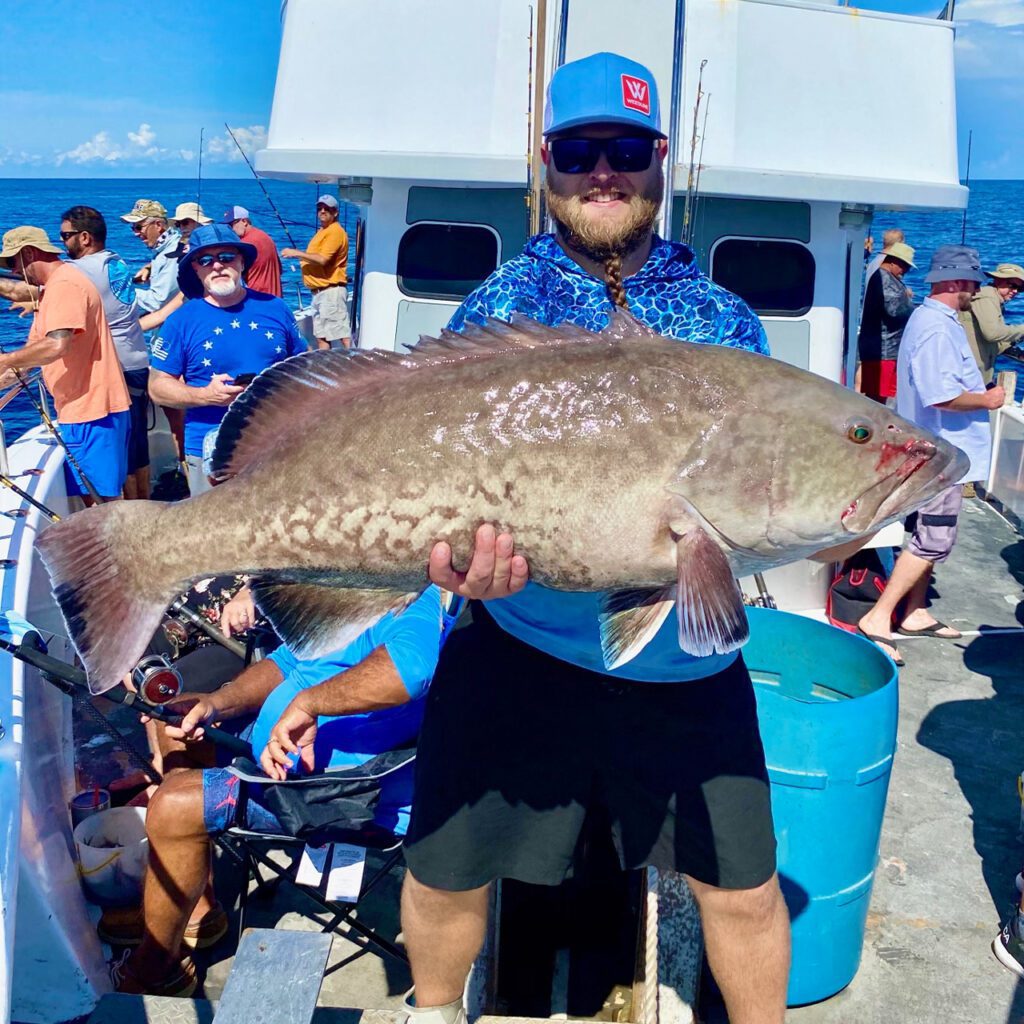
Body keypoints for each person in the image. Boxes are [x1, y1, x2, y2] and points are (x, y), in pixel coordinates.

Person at [400, 53, 791, 1024]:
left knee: (743, 886)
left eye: (625, 148)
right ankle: (433, 1009)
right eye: (580, 152)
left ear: (661, 158)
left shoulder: (723, 321)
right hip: (518, 642)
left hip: (682, 666)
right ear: (548, 162)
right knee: (446, 862)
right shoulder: (495, 310)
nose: (603, 171)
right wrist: (455, 569)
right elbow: (437, 476)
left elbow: (751, 495)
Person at [109, 585, 455, 997]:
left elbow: (411, 668)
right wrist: (218, 702)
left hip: (345, 792)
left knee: (174, 804)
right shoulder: (348, 588)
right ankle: (197, 911)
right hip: (273, 753)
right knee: (175, 722)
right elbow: (285, 661)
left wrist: (309, 703)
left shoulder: (421, 594)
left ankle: (155, 970)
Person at [857, 245, 1002, 665]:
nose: (977, 291)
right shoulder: (938, 329)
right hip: (942, 456)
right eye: (974, 283)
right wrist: (989, 400)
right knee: (934, 539)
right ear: (956, 282)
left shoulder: (929, 319)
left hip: (937, 453)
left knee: (926, 534)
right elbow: (942, 395)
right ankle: (879, 617)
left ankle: (915, 612)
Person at [148, 223, 306, 497]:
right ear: (195, 269)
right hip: (210, 449)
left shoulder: (277, 308)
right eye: (206, 260)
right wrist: (205, 395)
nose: (217, 266)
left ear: (242, 262)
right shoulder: (180, 321)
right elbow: (157, 387)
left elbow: (304, 367)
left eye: (227, 257)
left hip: (277, 440)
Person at [0, 226, 130, 503]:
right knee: (92, 499)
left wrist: (6, 359)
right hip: (79, 411)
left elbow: (57, 345)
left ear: (28, 253)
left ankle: (123, 548)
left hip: (94, 411)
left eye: (12, 262)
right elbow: (31, 358)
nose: (12, 271)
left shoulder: (65, 286)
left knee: (106, 502)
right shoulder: (52, 292)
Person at [58, 206, 153, 500]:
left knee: (119, 451)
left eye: (66, 236)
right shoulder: (115, 262)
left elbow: (36, 287)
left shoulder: (79, 271)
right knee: (138, 445)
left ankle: (133, 519)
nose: (62, 241)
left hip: (116, 370)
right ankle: (146, 507)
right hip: (137, 361)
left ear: (84, 237)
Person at [281, 195, 350, 349]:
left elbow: (323, 259)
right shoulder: (323, 231)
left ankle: (356, 367)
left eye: (327, 208)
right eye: (320, 208)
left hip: (330, 292)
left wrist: (296, 253)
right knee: (322, 338)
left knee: (342, 336)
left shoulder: (335, 232)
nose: (322, 211)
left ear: (336, 212)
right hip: (319, 293)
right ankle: (324, 368)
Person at [857, 241, 915, 404]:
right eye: (905, 266)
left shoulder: (884, 277)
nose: (906, 271)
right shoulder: (884, 279)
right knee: (879, 398)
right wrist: (914, 309)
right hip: (883, 350)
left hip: (881, 348)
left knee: (878, 395)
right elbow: (894, 310)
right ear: (893, 261)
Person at [959, 261, 1024, 383]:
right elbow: (992, 334)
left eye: (1020, 288)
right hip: (969, 377)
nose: (1015, 291)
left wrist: (1011, 345)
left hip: (975, 376)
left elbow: (987, 339)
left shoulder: (994, 300)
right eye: (1012, 285)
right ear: (998, 280)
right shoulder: (987, 297)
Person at [121, 199, 183, 313]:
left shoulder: (172, 254)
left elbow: (157, 303)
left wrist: (120, 290)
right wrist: (150, 267)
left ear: (158, 225)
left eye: (139, 227)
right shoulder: (167, 248)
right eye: (133, 228)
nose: (136, 233)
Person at [223, 206, 283, 297]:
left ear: (244, 221)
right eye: (227, 226)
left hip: (256, 297)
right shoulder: (264, 236)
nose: (230, 229)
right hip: (274, 296)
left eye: (232, 225)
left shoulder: (245, 244)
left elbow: (232, 273)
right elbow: (280, 269)